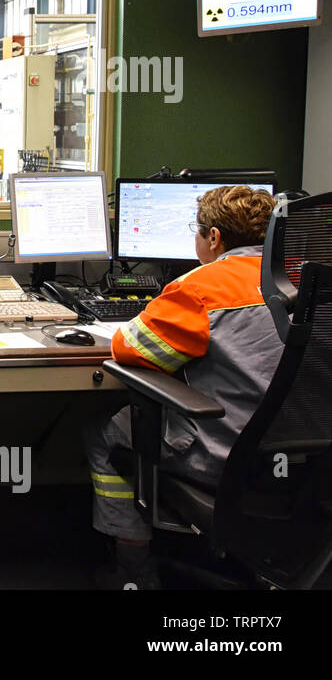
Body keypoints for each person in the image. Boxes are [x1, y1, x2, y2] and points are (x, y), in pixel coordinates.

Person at [84, 185, 281, 589]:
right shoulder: (308, 281)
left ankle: (133, 569)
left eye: (198, 229)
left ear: (214, 238)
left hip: (223, 454)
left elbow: (128, 348)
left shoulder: (203, 287)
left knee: (103, 433)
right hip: (303, 459)